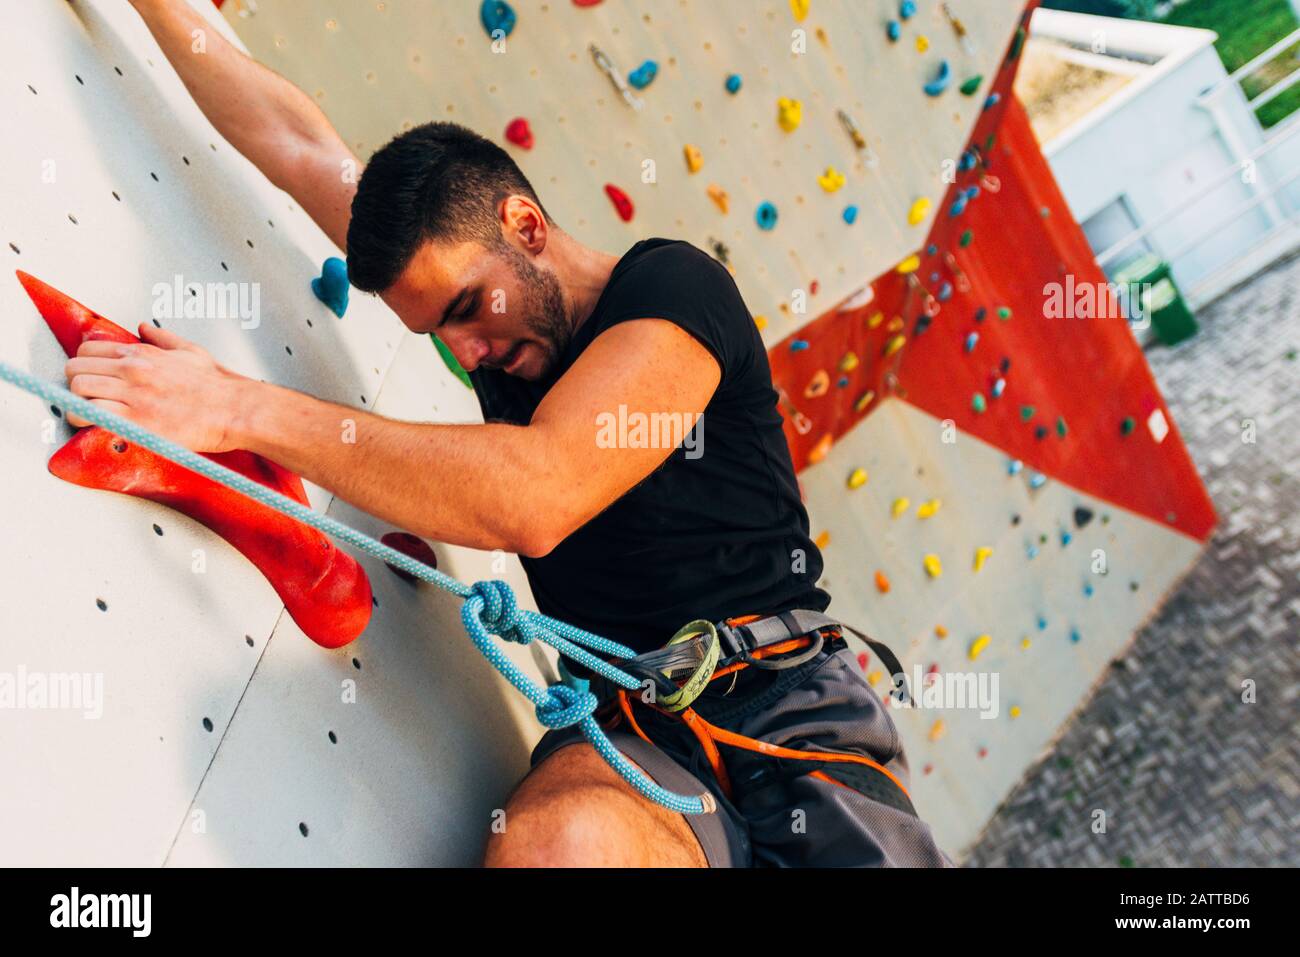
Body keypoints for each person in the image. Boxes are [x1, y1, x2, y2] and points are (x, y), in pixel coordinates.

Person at [75, 0, 949, 867]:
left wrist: (236, 407)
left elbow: (539, 493)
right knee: (557, 846)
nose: (467, 352)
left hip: (786, 709)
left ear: (525, 226)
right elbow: (299, 148)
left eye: (465, 310)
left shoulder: (676, 294)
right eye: (439, 333)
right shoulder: (487, 312)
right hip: (634, 735)